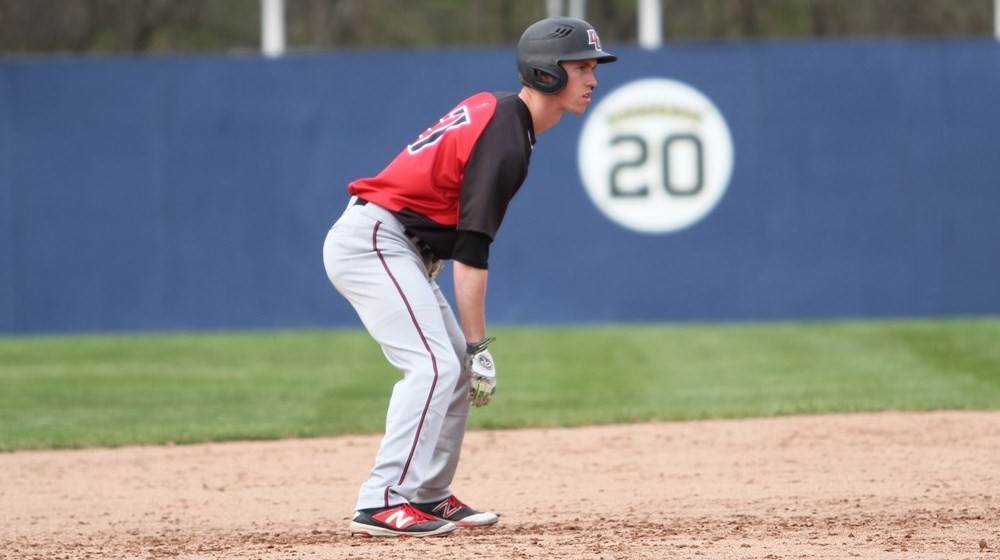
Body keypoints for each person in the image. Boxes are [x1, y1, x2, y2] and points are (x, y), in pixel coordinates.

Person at [322, 16, 617, 538]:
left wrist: (471, 353)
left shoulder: (504, 114)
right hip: (375, 240)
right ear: (547, 72)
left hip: (392, 243)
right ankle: (380, 502)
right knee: (437, 363)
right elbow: (471, 252)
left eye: (593, 67)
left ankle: (428, 495)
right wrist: (480, 343)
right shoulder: (507, 135)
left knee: (450, 368)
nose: (593, 79)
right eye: (581, 67)